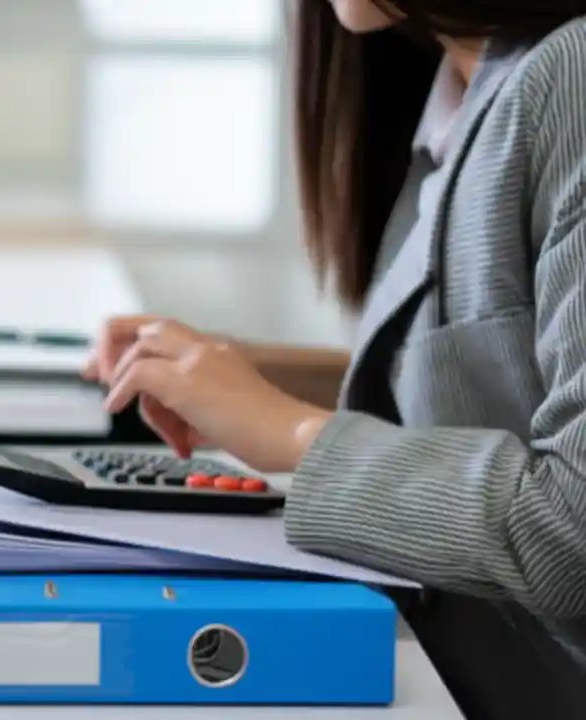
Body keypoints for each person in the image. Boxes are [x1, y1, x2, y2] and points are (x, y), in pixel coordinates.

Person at [84, 2, 586, 718]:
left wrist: (290, 433)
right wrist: (238, 375)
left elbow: (573, 531)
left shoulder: (572, 77)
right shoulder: (455, 93)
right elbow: (488, 383)